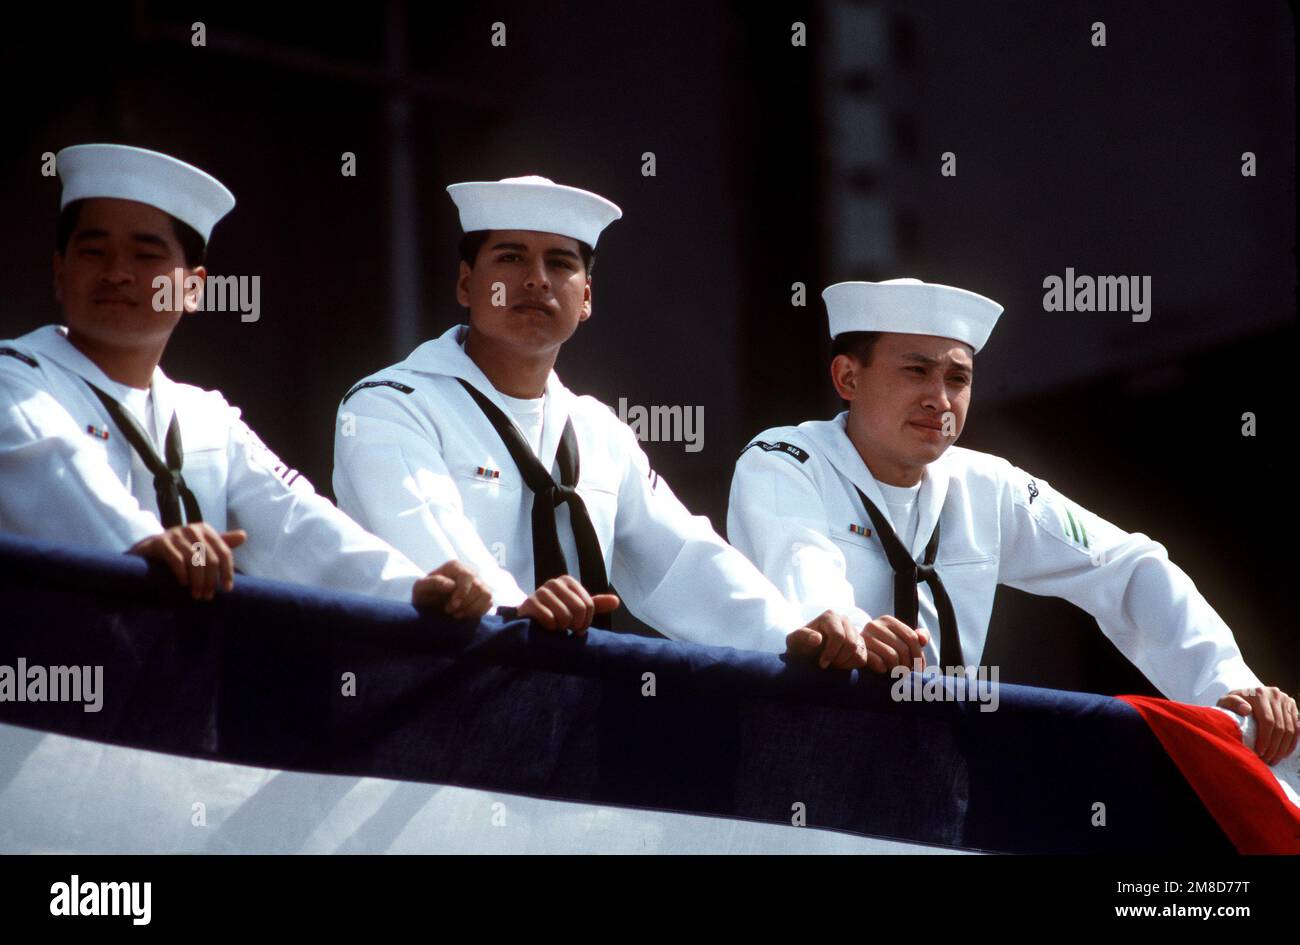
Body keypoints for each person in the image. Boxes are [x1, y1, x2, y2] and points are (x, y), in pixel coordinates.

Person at [727, 278, 1297, 763]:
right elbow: (798, 556)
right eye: (916, 371)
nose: (939, 400)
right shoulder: (784, 459)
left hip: (936, 776)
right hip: (797, 765)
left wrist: (1232, 690)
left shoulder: (987, 484)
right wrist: (842, 623)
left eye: (957, 379)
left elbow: (1127, 568)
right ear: (848, 379)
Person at [333, 175, 862, 665]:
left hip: (564, 722)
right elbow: (426, 533)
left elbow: (684, 559)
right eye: (512, 257)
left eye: (561, 263)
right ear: (467, 285)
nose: (537, 279)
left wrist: (796, 636)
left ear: (585, 298)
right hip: (418, 714)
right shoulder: (391, 403)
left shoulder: (598, 430)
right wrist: (519, 609)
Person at [0, 143, 491, 618]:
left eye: (146, 256)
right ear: (60, 273)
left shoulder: (204, 416)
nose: (117, 273)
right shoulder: (15, 377)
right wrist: (145, 543)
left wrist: (412, 588)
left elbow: (295, 521)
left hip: (178, 691)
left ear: (193, 288)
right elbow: (58, 472)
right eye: (93, 252)